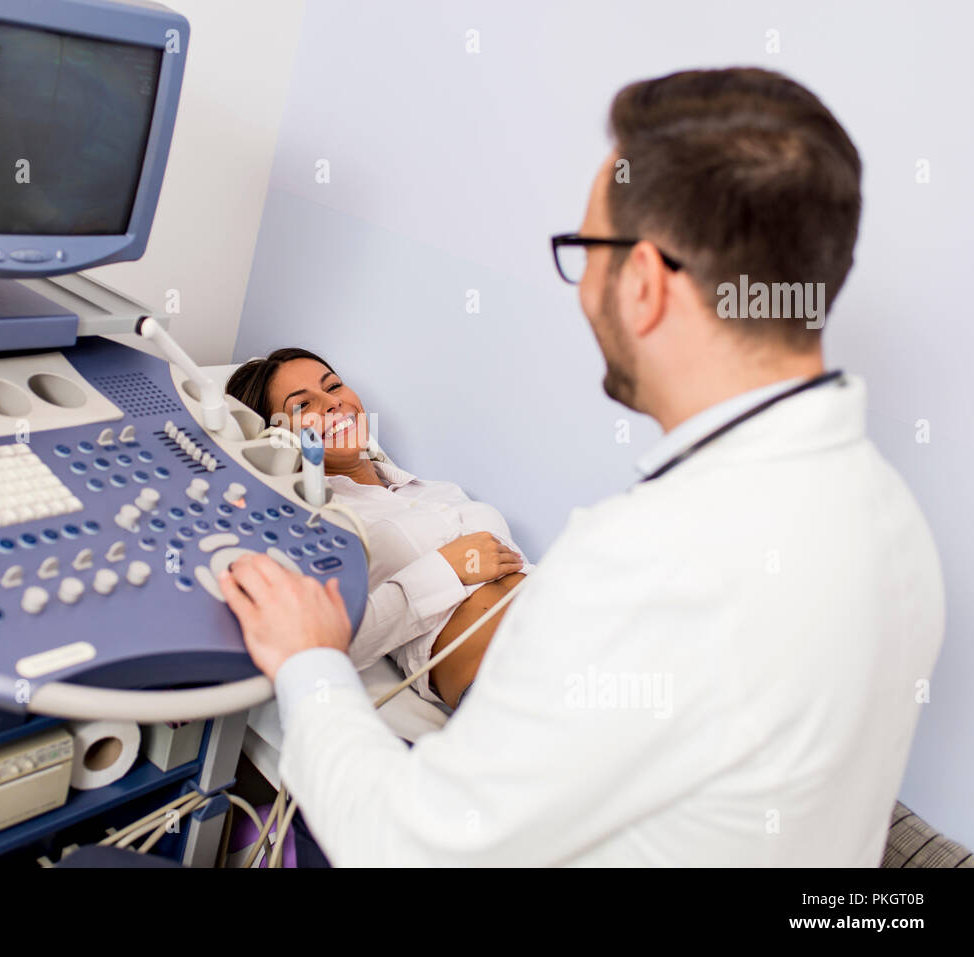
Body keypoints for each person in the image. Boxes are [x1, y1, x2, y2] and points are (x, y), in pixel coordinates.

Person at [217, 67, 946, 866]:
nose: (581, 289)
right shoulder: (892, 522)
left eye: (585, 251)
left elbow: (409, 845)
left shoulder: (641, 563)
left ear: (641, 285)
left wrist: (310, 664)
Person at [225, 349, 531, 708]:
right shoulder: (315, 525)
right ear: (274, 439)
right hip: (509, 686)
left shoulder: (438, 491)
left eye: (334, 386)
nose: (332, 403)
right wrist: (446, 569)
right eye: (302, 406)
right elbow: (324, 644)